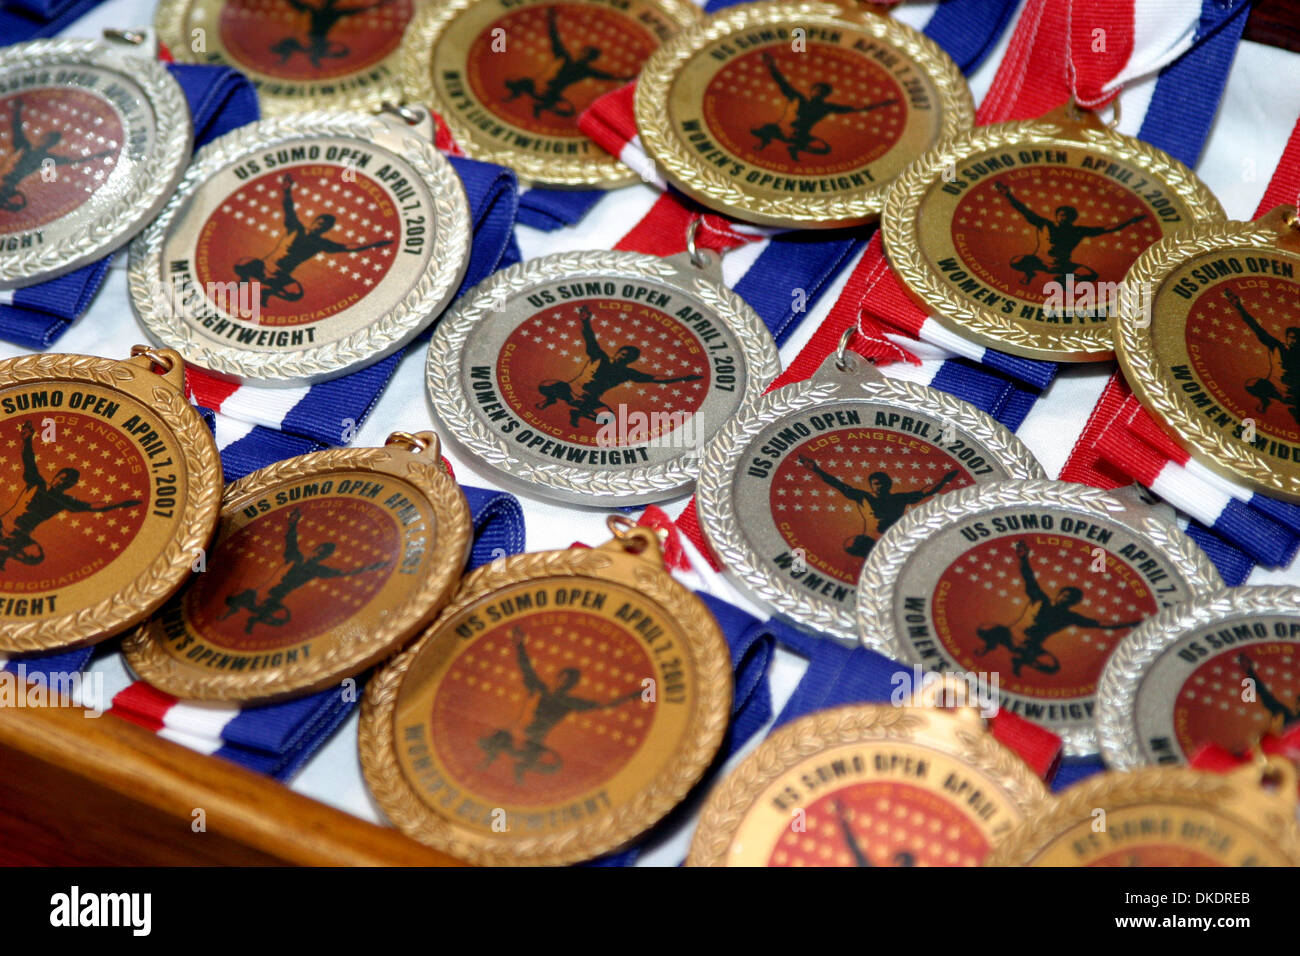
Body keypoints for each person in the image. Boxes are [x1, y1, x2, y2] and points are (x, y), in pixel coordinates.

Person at [478, 628, 643, 782]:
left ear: (572, 685)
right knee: (492, 743)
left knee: (526, 770)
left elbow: (606, 704)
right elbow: (525, 667)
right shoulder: (540, 688)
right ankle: (486, 766)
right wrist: (520, 644)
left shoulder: (569, 703)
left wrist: (635, 695)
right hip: (514, 733)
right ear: (557, 678)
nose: (563, 683)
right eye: (562, 678)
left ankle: (515, 778)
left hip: (532, 742)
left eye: (568, 681)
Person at [973, 540, 1143, 676]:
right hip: (1008, 634)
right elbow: (1028, 578)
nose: (1066, 600)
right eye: (1065, 596)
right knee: (985, 629)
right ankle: (991, 646)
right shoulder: (1040, 599)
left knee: (1051, 666)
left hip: (1029, 647)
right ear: (1058, 595)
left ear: (1073, 603)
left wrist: (1130, 624)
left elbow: (1100, 623)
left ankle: (1021, 659)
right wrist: (1024, 558)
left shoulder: (1070, 617)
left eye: (1071, 599)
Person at [233, 172, 393, 305]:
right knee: (241, 263)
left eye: (325, 226)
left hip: (280, 275)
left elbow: (349, 247)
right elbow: (288, 208)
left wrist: (375, 243)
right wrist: (286, 191)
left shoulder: (321, 244)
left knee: (295, 294)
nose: (321, 226)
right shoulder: (296, 229)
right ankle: (245, 281)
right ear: (315, 222)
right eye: (320, 222)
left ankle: (268, 290)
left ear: (327, 229)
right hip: (263, 267)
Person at [220, 507, 389, 633]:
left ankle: (251, 624)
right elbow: (291, 540)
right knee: (236, 601)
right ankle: (227, 617)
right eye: (321, 550)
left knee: (263, 618)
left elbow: (344, 573)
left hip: (275, 597)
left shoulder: (317, 570)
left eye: (325, 553)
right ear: (316, 549)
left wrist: (372, 566)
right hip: (260, 590)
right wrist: (293, 523)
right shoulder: (295, 556)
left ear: (325, 556)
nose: (320, 553)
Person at [0, 422, 141, 570]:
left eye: (66, 482)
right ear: (55, 476)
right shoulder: (36, 482)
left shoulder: (62, 501)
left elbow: (93, 507)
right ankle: (4, 549)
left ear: (69, 486)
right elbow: (28, 460)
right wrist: (27, 440)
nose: (62, 482)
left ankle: (5, 550)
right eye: (61, 478)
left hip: (18, 534)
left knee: (35, 555)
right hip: (3, 524)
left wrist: (121, 504)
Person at [536, 304, 703, 428]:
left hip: (588, 399)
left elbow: (657, 379)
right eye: (622, 354)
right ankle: (551, 399)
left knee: (608, 419)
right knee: (545, 385)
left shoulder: (626, 373)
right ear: (616, 353)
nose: (622, 358)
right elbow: (589, 338)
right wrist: (586, 322)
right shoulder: (599, 357)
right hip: (568, 389)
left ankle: (579, 412)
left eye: (627, 357)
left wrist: (684, 378)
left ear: (630, 360)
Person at [797, 456, 958, 559]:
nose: (879, 487)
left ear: (888, 485)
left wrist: (943, 480)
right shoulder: (863, 497)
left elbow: (925, 492)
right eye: (875, 484)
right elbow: (837, 484)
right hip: (866, 543)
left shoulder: (900, 498)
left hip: (893, 544)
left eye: (882, 484)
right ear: (871, 486)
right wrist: (816, 469)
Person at [993, 180, 1146, 287]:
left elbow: (1107, 228)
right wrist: (1007, 195)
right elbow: (1023, 210)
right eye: (1062, 214)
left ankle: (1063, 279)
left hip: (1062, 266)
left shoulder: (1078, 231)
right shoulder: (1044, 224)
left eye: (1068, 215)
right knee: (1016, 261)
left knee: (1090, 276)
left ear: (1073, 218)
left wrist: (1130, 221)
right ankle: (1030, 272)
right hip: (1038, 261)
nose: (1064, 217)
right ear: (1057, 215)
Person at [750, 51, 895, 162]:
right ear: (812, 91)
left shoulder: (827, 107)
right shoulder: (797, 97)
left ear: (825, 95)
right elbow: (782, 82)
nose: (818, 93)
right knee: (756, 127)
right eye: (816, 90)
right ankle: (767, 143)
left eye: (822, 92)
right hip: (779, 129)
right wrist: (771, 66)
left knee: (824, 148)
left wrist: (881, 104)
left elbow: (854, 108)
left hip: (800, 136)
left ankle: (794, 146)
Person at [503, 6, 634, 120]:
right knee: (520, 82)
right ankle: (514, 96)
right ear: (580, 52)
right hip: (534, 85)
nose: (584, 55)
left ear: (591, 59)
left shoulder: (585, 71)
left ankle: (539, 106)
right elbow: (554, 37)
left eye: (588, 55)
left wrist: (633, 77)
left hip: (550, 94)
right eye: (584, 52)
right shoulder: (563, 56)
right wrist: (551, 19)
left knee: (566, 109)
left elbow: (610, 76)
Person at [0, 97, 114, 214]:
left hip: (9, 185)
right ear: (41, 138)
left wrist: (100, 154)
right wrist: (17, 110)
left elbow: (75, 160)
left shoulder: (46, 158)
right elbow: (17, 127)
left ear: (51, 144)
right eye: (47, 139)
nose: (46, 142)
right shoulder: (23, 145)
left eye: (50, 141)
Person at [1224, 287, 1300, 426]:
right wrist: (1239, 307)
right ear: (1287, 338)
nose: (1295, 341)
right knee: (1251, 384)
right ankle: (1267, 399)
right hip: (1274, 388)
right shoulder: (1276, 346)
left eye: (1297, 339)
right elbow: (1256, 327)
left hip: (1295, 395)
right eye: (1292, 338)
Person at [269, 0, 392, 68]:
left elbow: (361, 10)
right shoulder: (318, 10)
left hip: (318, 42)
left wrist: (382, 4)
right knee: (290, 43)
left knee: (310, 52)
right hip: (309, 40)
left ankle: (314, 62)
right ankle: (283, 60)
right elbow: (294, 3)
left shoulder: (334, 13)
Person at [1237, 651, 1300, 735]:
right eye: (1298, 703)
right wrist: (1250, 672)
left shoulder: (1286, 716)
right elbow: (1265, 695)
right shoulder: (1286, 716)